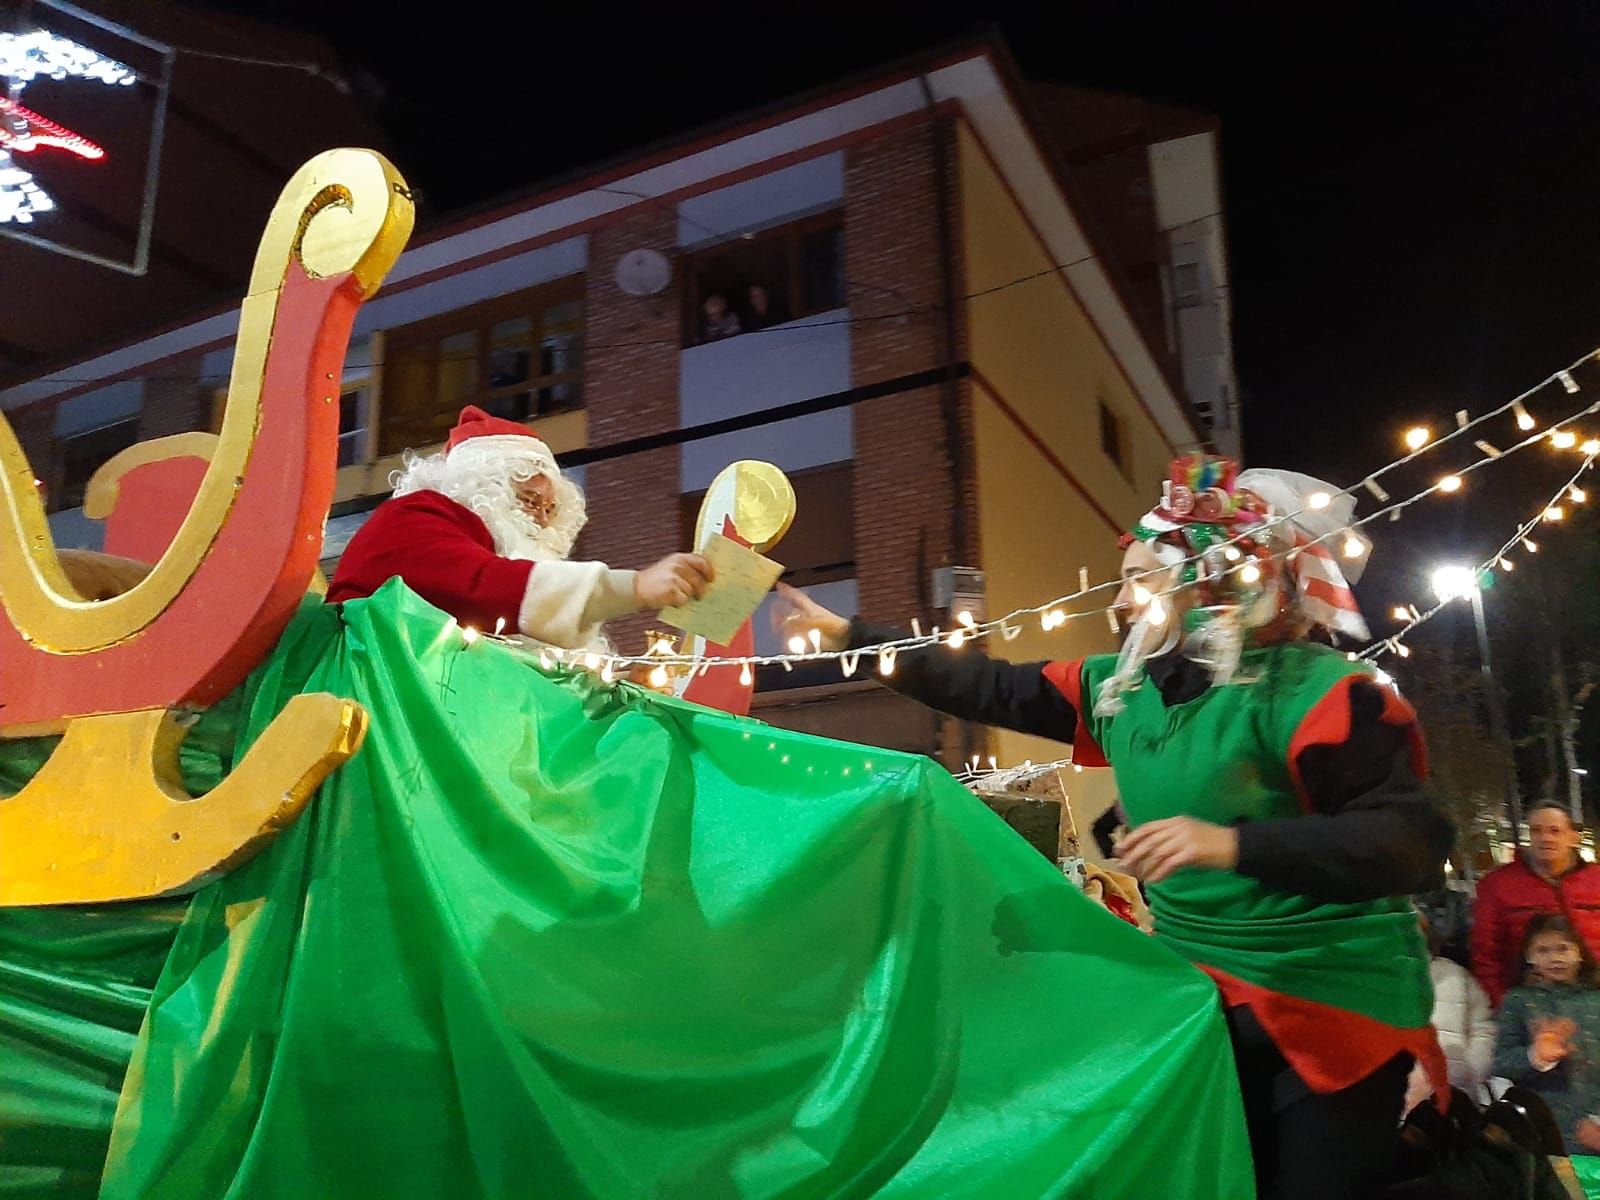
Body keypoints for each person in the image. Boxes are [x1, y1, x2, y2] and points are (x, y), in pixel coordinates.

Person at [777, 454, 1453, 1200]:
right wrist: (849, 635)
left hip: (1336, 1006)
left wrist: (1230, 844)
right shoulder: (1120, 690)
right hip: (1200, 996)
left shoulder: (1323, 694)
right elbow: (987, 685)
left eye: (1140, 578)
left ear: (1215, 583)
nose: (1122, 600)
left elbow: (1412, 843)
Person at [328, 406, 712, 650]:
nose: (543, 520)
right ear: (476, 487)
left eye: (550, 508)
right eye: (530, 500)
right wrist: (636, 587)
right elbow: (483, 586)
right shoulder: (412, 518)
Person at [1472, 800, 1600, 1008]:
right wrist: (1506, 1005)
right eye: (1536, 831)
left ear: (1574, 837)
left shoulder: (1596, 880)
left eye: (1555, 831)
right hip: (1531, 1003)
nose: (1545, 838)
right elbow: (1486, 956)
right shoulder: (1497, 884)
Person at [1491, 914, 1600, 1152]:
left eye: (1563, 948)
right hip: (1541, 1128)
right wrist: (1535, 1055)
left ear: (1580, 952)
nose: (1555, 958)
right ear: (1529, 958)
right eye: (1543, 951)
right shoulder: (1518, 1001)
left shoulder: (1596, 1000)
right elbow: (1500, 1064)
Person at [1405, 912, 1495, 1110]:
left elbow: (1483, 1028)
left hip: (1455, 1097)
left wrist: (1470, 1071)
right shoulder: (1369, 982)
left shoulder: (1455, 976)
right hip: (1393, 1101)